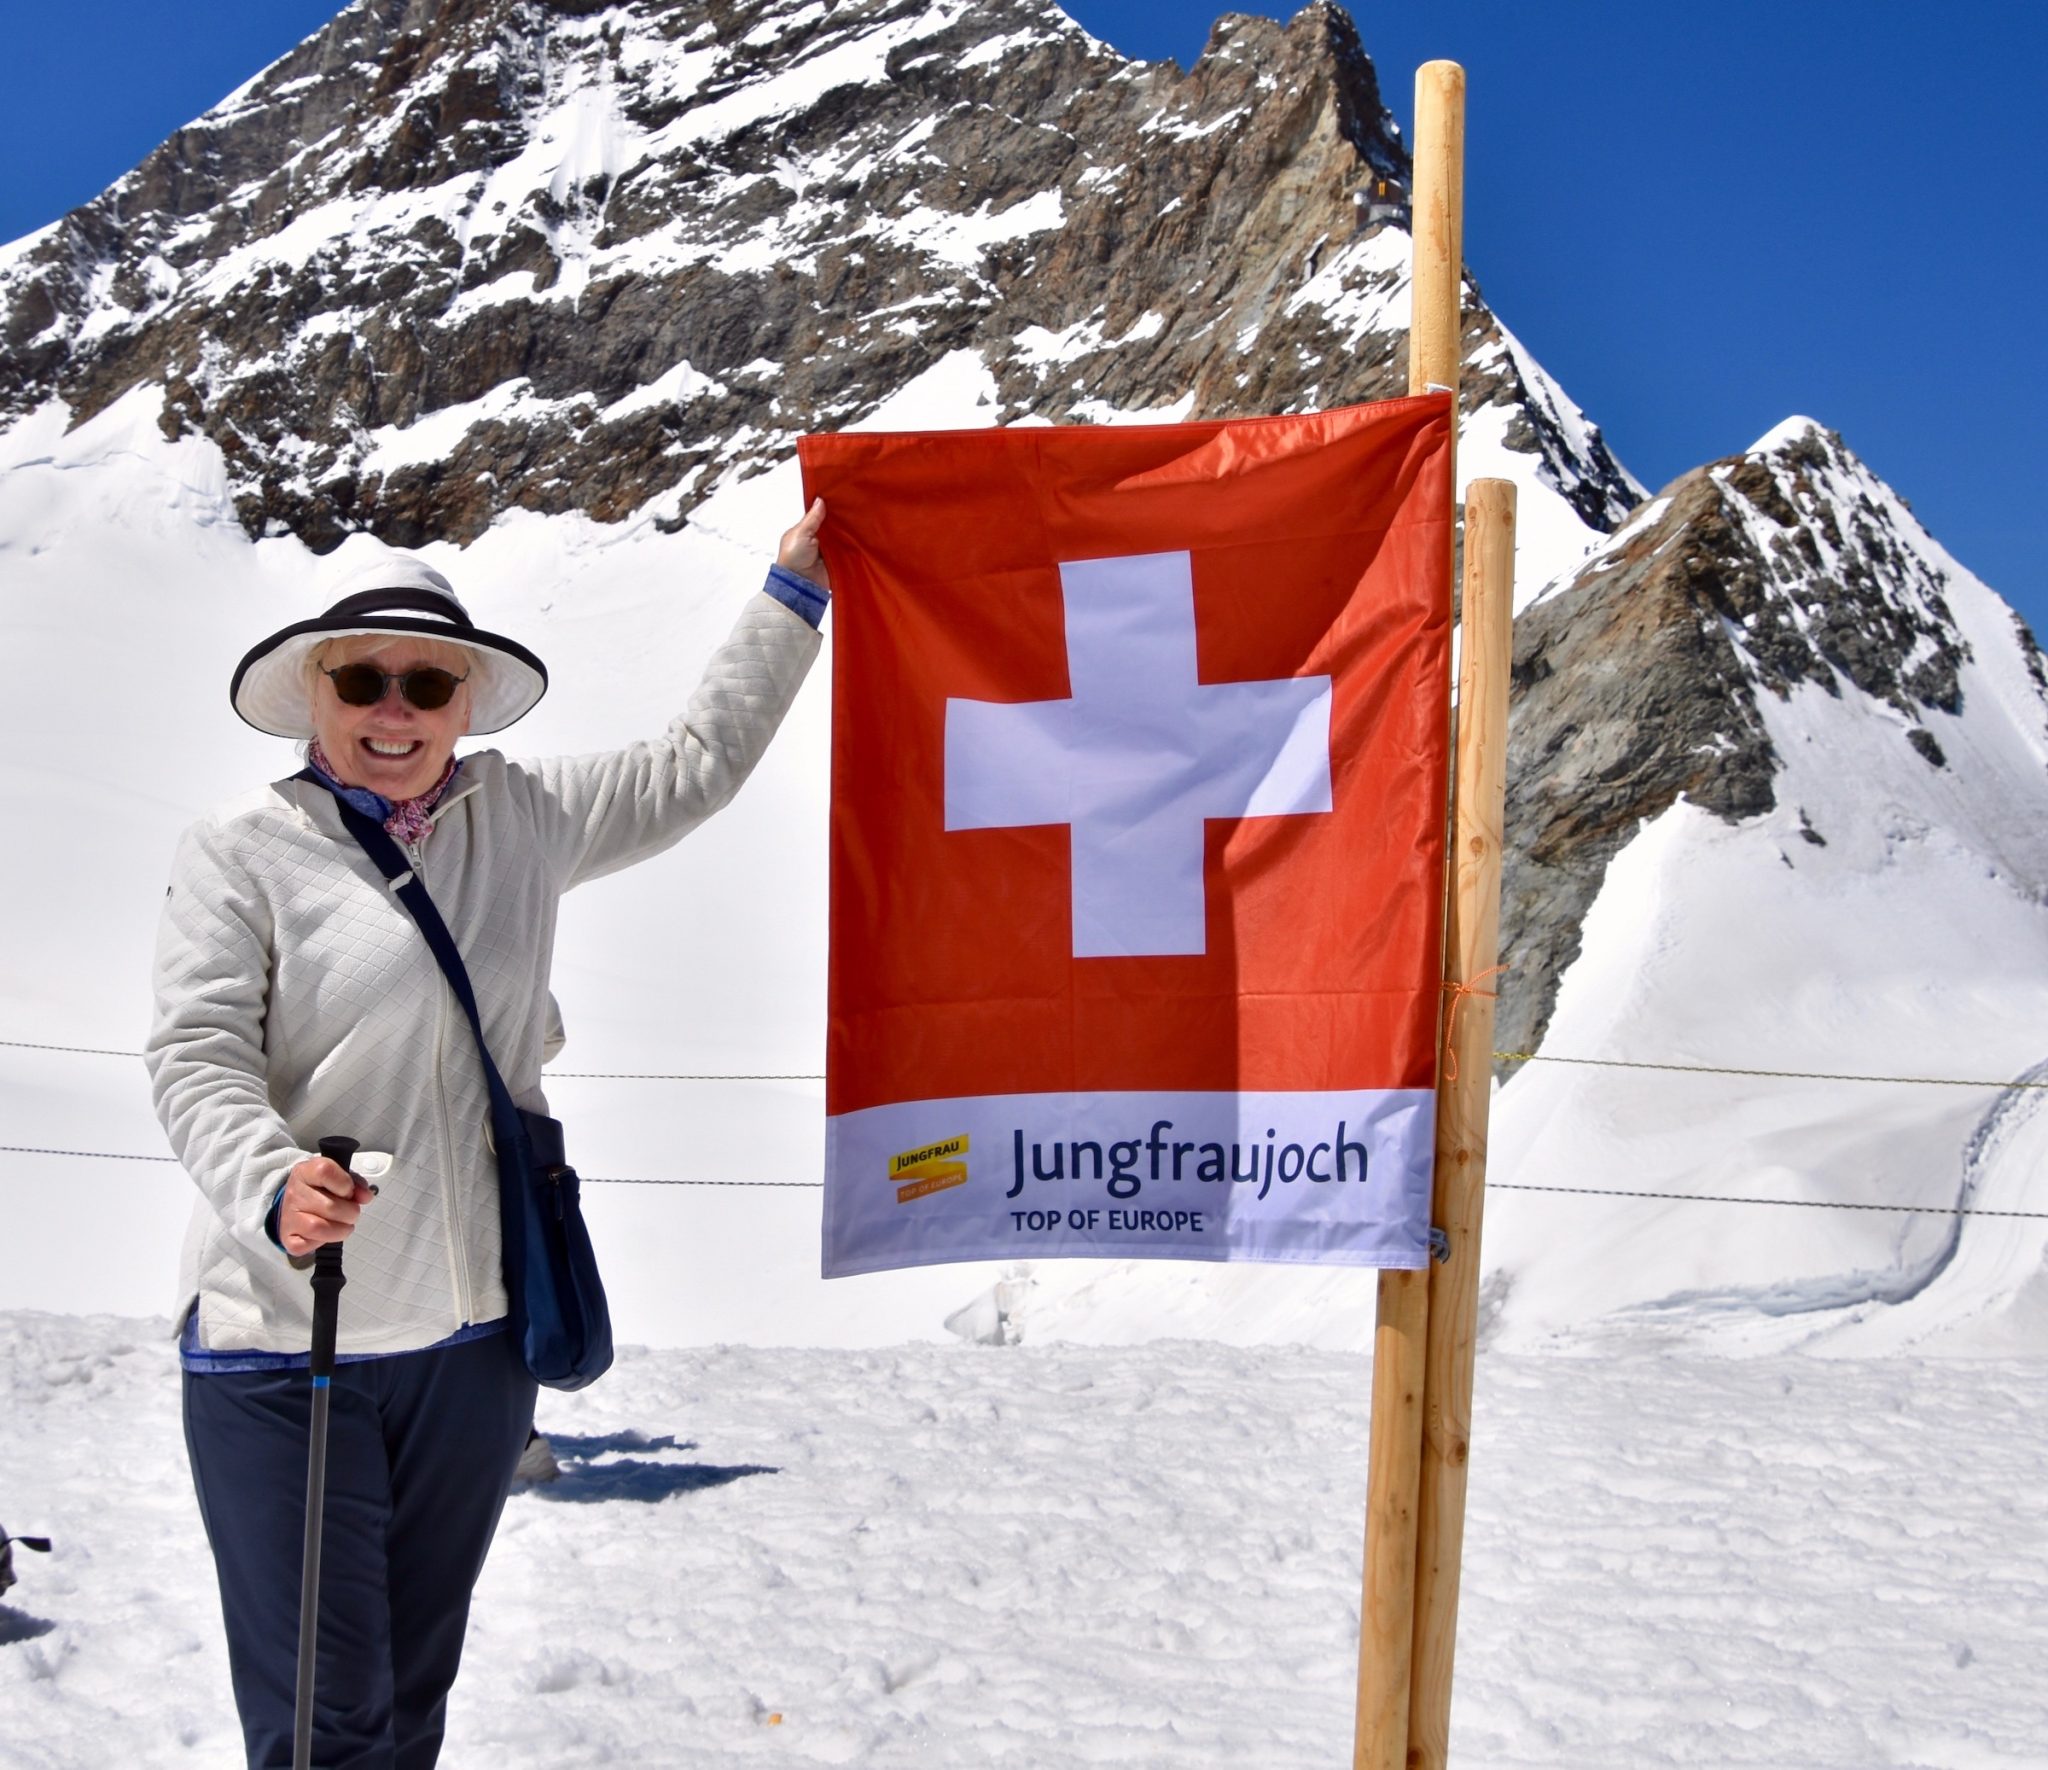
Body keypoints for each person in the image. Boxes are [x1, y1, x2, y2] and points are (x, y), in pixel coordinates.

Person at [146, 503, 831, 1769]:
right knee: (323, 1718)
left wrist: (792, 596)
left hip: (468, 1352)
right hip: (290, 1343)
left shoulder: (524, 818)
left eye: (427, 681)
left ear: (466, 702)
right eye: (362, 679)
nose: (393, 707)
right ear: (315, 693)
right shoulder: (240, 852)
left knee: (408, 1700)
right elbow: (196, 1056)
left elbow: (696, 764)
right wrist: (269, 1177)